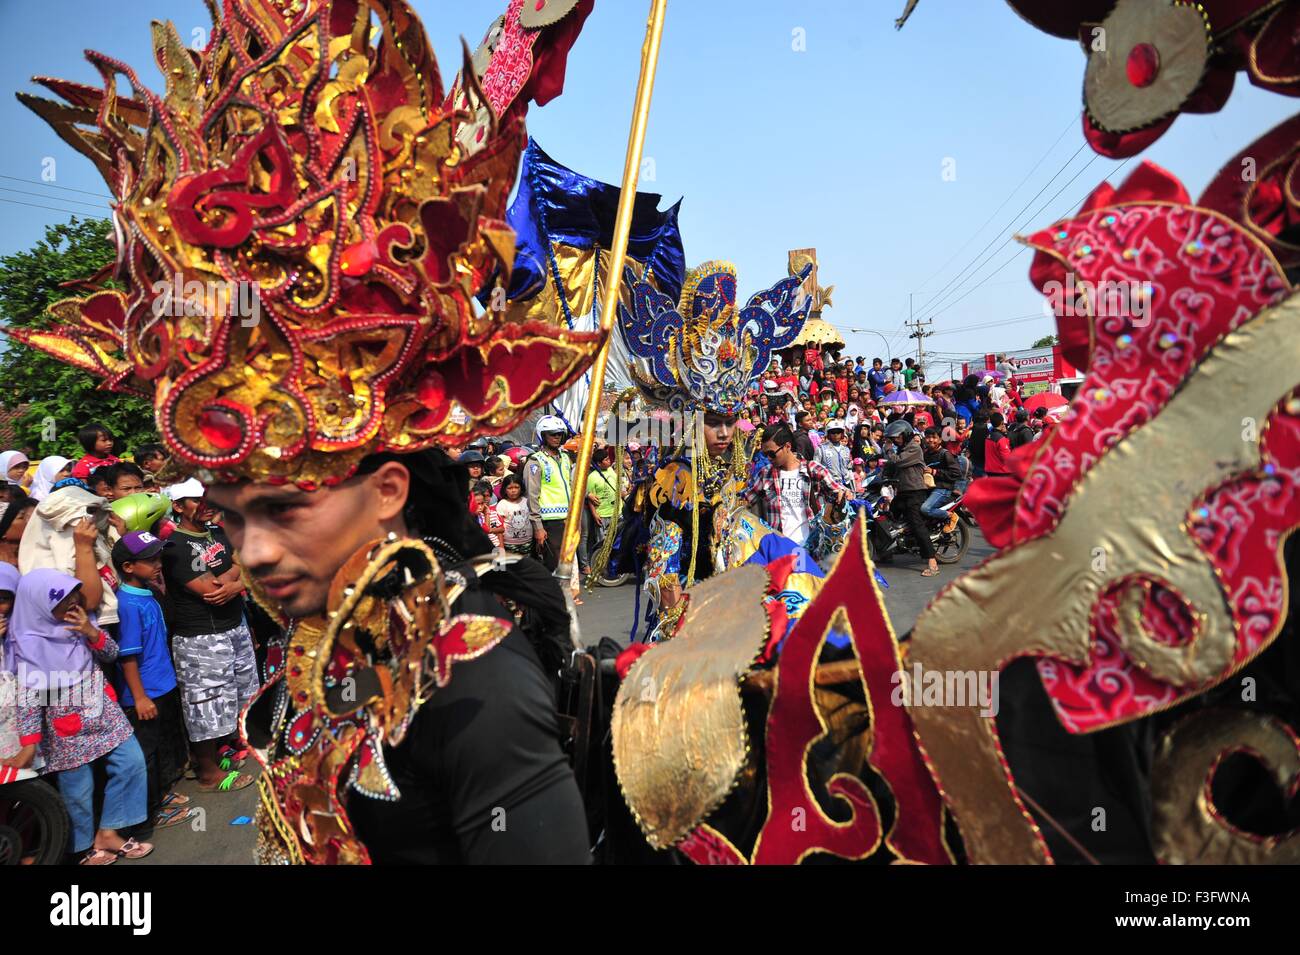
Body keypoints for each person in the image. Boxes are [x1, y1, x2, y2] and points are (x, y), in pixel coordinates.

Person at [9, 0, 597, 867]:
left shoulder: (476, 683)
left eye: (285, 507)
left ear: (389, 489)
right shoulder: (314, 655)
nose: (255, 553)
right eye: (231, 515)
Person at [3, 569, 152, 864]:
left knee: (132, 763)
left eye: (73, 594)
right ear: (39, 605)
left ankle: (109, 830)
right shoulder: (27, 645)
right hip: (66, 730)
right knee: (78, 792)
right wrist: (30, 744)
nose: (73, 602)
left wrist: (91, 633)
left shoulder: (80, 624)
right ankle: (83, 848)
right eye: (62, 599)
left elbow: (111, 653)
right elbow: (28, 699)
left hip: (104, 716)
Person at [160, 478, 257, 794]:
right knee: (206, 702)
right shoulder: (174, 546)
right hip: (200, 636)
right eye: (196, 500)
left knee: (234, 693)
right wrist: (235, 580)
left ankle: (221, 751)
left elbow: (243, 565)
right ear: (178, 506)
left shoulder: (217, 532)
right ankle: (208, 773)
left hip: (233, 626)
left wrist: (236, 583)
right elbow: (210, 591)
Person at [111, 531, 192, 833]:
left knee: (161, 746)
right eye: (150, 559)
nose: (158, 564)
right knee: (146, 754)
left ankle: (162, 795)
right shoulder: (128, 603)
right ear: (129, 566)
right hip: (145, 693)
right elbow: (128, 656)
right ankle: (148, 811)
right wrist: (140, 697)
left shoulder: (146, 593)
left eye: (158, 557)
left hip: (161, 684)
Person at [747, 425, 849, 549]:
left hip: (810, 548)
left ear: (787, 447)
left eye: (771, 453)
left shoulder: (812, 469)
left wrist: (843, 493)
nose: (768, 458)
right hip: (779, 549)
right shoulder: (765, 474)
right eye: (765, 454)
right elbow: (746, 500)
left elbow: (837, 490)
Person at [882, 420, 939, 577]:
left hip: (915, 492)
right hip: (903, 492)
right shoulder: (902, 448)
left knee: (917, 525)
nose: (894, 440)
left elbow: (898, 461)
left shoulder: (914, 448)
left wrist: (888, 449)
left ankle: (932, 562)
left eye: (897, 437)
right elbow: (892, 466)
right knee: (890, 515)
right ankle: (889, 550)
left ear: (905, 435)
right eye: (893, 438)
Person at [524, 415, 574, 572]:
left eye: (559, 434)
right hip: (549, 523)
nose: (557, 437)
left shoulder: (566, 458)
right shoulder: (535, 461)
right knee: (553, 566)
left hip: (568, 521)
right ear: (543, 436)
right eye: (552, 434)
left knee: (568, 567)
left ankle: (567, 596)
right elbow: (532, 496)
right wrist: (538, 527)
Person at [920, 428, 965, 527]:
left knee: (925, 509)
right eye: (928, 437)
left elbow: (956, 473)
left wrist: (935, 472)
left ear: (940, 440)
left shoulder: (945, 454)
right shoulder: (925, 454)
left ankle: (950, 516)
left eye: (934, 437)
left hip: (942, 488)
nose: (931, 440)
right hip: (928, 487)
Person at [495, 474, 533, 556]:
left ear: (521, 488)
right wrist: (501, 547)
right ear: (505, 490)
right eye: (510, 488)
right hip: (509, 544)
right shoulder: (502, 504)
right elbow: (499, 528)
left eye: (516, 487)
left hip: (528, 543)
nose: (513, 490)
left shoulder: (527, 502)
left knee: (526, 565)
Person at [815, 419, 853, 486]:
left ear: (842, 434)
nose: (836, 435)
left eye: (838, 432)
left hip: (846, 483)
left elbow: (849, 467)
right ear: (828, 434)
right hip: (830, 484)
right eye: (833, 432)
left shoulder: (846, 449)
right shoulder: (821, 449)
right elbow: (816, 468)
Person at [472, 480, 504, 549]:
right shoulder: (475, 515)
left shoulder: (493, 512)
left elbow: (501, 531)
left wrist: (502, 549)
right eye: (483, 496)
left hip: (496, 547)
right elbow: (485, 530)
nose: (485, 499)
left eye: (488, 496)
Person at [984, 412, 1014, 477]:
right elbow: (1007, 458)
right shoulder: (1001, 439)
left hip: (990, 470)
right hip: (1001, 472)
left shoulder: (988, 436)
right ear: (1002, 422)